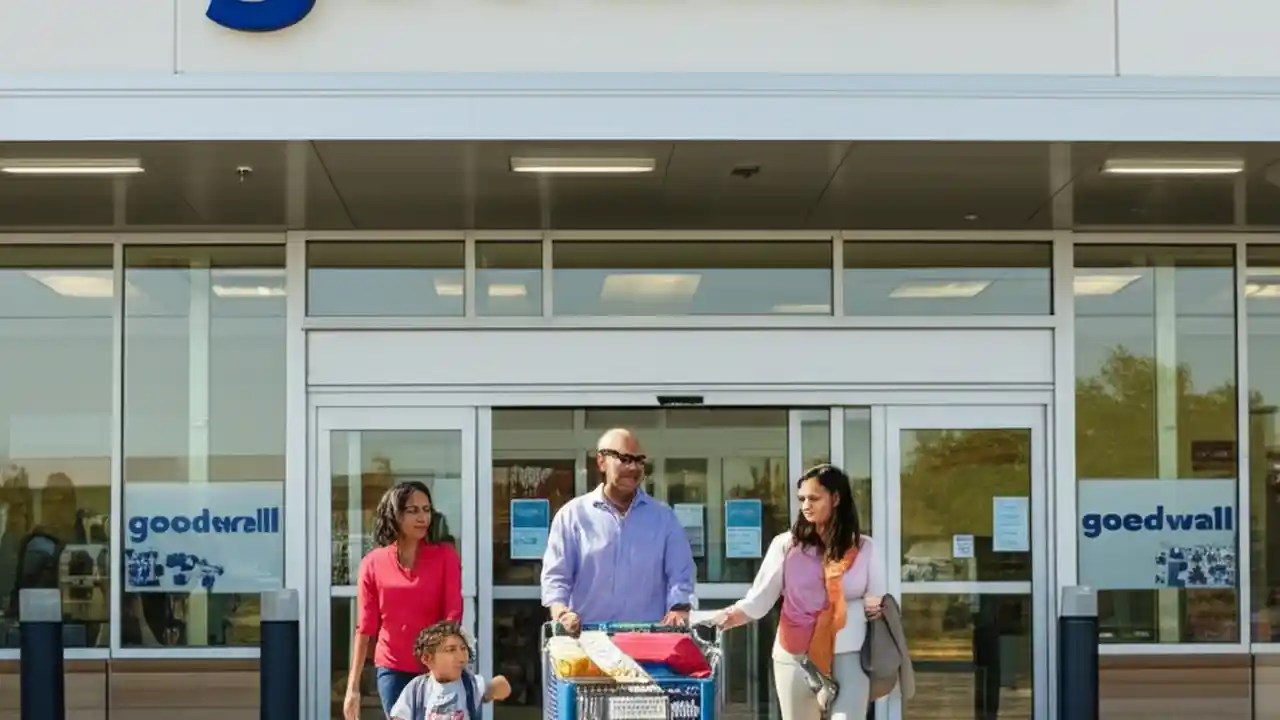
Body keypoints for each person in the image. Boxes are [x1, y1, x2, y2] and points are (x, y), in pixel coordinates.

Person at [716, 464, 885, 720]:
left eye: (814, 498)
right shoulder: (786, 545)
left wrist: (870, 605)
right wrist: (728, 616)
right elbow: (760, 598)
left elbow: (879, 600)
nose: (806, 505)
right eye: (802, 499)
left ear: (836, 498)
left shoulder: (865, 548)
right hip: (794, 655)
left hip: (848, 654)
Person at [541, 428, 696, 632]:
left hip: (648, 647)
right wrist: (562, 613)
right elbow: (556, 577)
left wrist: (679, 608)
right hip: (588, 645)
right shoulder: (573, 516)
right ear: (601, 461)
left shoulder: (663, 518)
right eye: (624, 459)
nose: (633, 467)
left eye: (639, 460)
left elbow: (681, 575)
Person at [345, 481, 463, 720]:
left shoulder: (445, 557)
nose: (422, 517)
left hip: (436, 669)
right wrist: (353, 687)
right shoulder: (373, 563)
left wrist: (441, 660)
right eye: (413, 510)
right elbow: (365, 627)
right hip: (392, 669)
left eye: (427, 509)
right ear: (395, 515)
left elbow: (453, 614)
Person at [389, 620, 512, 720]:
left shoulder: (470, 683)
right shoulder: (418, 688)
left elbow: (500, 688)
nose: (461, 655)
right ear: (427, 658)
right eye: (451, 650)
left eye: (463, 648)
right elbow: (400, 715)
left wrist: (495, 688)